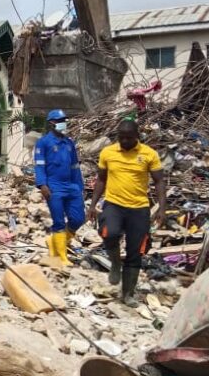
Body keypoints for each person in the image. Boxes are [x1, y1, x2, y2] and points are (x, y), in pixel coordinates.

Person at [87, 119, 166, 305]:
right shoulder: (108, 152)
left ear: (137, 137)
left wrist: (162, 208)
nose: (124, 141)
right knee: (109, 232)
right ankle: (115, 263)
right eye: (121, 137)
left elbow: (159, 182)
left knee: (136, 251)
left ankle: (128, 294)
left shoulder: (149, 154)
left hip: (139, 208)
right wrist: (92, 205)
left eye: (128, 138)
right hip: (114, 204)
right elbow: (101, 179)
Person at [34, 109, 85, 266]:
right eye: (61, 120)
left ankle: (54, 242)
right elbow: (39, 165)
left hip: (71, 186)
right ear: (52, 123)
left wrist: (79, 187)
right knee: (58, 222)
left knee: (78, 218)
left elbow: (75, 166)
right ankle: (61, 256)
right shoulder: (43, 143)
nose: (64, 123)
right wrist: (42, 184)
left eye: (65, 120)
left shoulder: (69, 143)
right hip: (54, 187)